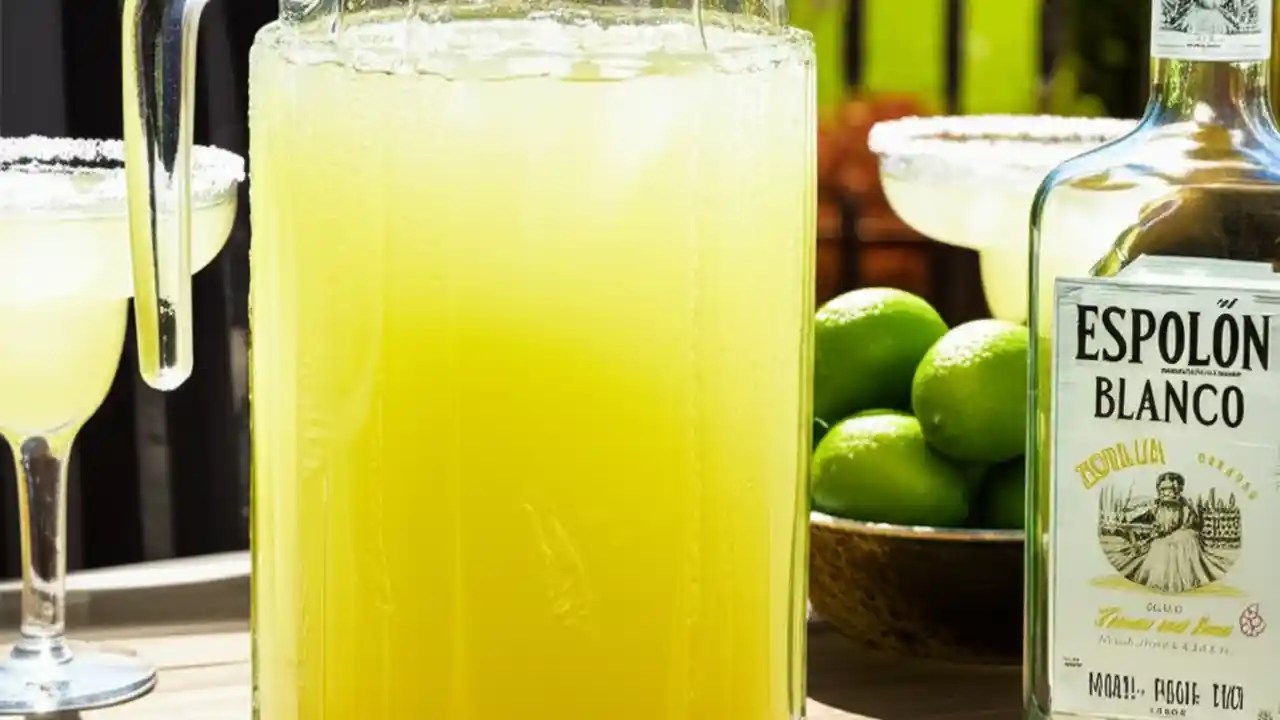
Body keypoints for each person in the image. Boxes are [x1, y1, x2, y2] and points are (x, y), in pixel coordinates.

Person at [1127, 472, 1228, 593]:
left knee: (1171, 545)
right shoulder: (1157, 505)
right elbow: (1146, 518)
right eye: (1162, 490)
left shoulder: (1181, 506)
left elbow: (1173, 523)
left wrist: (1159, 531)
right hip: (1164, 535)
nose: (1165, 493)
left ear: (1177, 490)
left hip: (1182, 536)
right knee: (1157, 547)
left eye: (1169, 489)